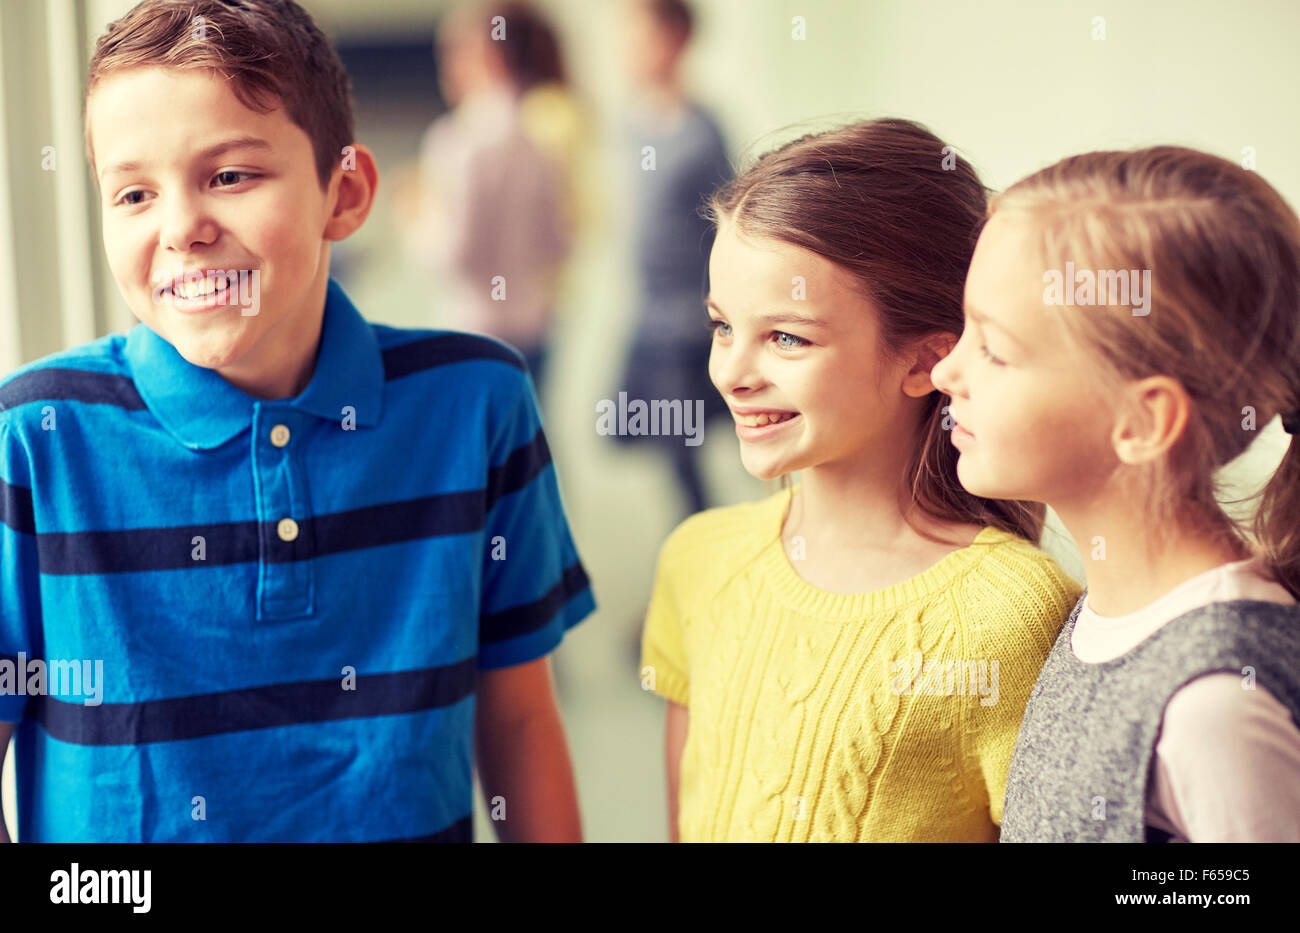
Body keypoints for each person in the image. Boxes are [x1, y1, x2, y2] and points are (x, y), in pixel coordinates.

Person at [0, 0, 593, 843]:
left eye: (230, 176)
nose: (182, 229)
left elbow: (522, 720)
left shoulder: (478, 404)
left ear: (343, 194)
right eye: (133, 192)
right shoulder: (32, 439)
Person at [640, 118, 1082, 842]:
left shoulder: (1013, 616)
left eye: (787, 337)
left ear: (923, 361)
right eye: (723, 326)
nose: (733, 374)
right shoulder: (696, 558)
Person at [932, 146, 1300, 842]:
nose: (948, 369)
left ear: (1142, 421)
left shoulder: (1216, 704)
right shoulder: (1110, 612)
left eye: (996, 349)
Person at [412, 1, 572, 398]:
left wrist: (415, 219)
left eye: (451, 52)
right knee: (526, 451)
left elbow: (456, 254)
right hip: (536, 328)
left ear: (484, 54)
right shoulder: (539, 137)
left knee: (476, 454)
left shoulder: (456, 141)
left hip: (476, 332)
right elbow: (559, 244)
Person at [613, 0, 731, 516]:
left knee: (686, 450)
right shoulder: (634, 124)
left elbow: (727, 226)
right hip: (649, 311)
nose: (630, 47)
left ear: (676, 40)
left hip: (688, 319)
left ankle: (704, 550)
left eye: (641, 34)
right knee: (665, 447)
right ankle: (692, 549)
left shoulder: (702, 132)